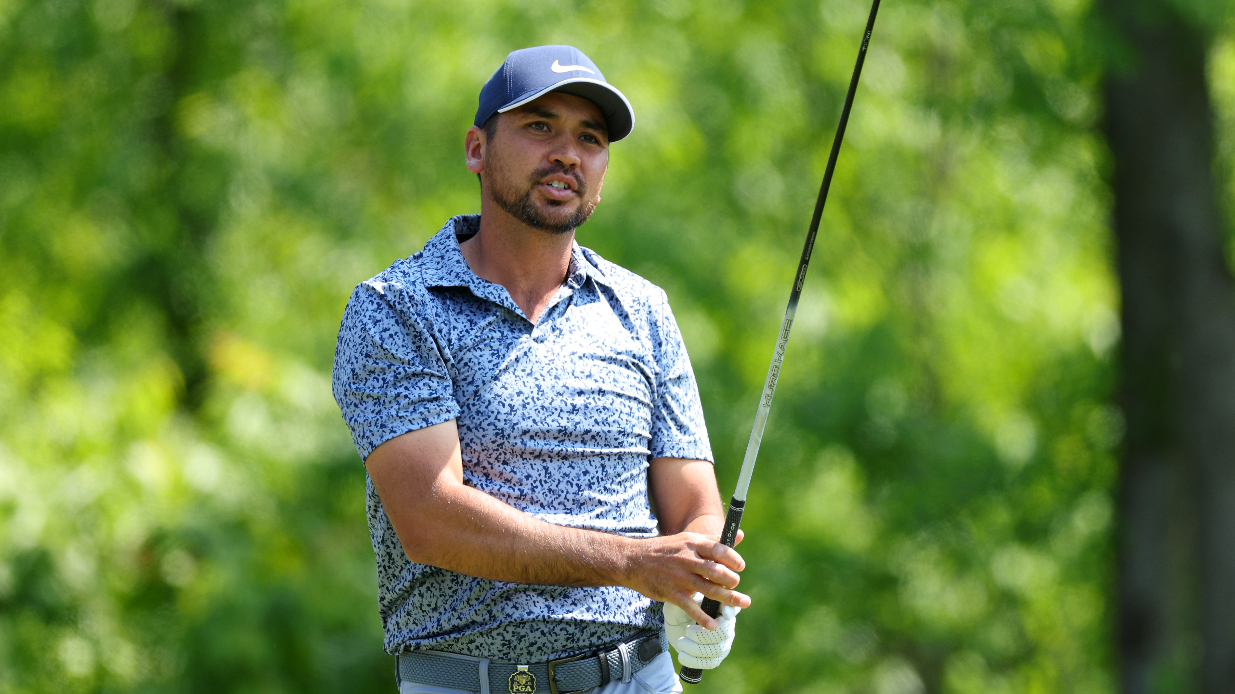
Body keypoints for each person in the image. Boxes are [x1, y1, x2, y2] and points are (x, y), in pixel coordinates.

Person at [332, 45, 749, 694]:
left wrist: (697, 570)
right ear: (476, 149)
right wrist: (635, 563)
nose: (567, 152)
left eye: (590, 138)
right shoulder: (397, 308)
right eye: (539, 127)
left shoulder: (641, 310)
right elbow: (429, 520)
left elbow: (692, 503)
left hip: (638, 678)